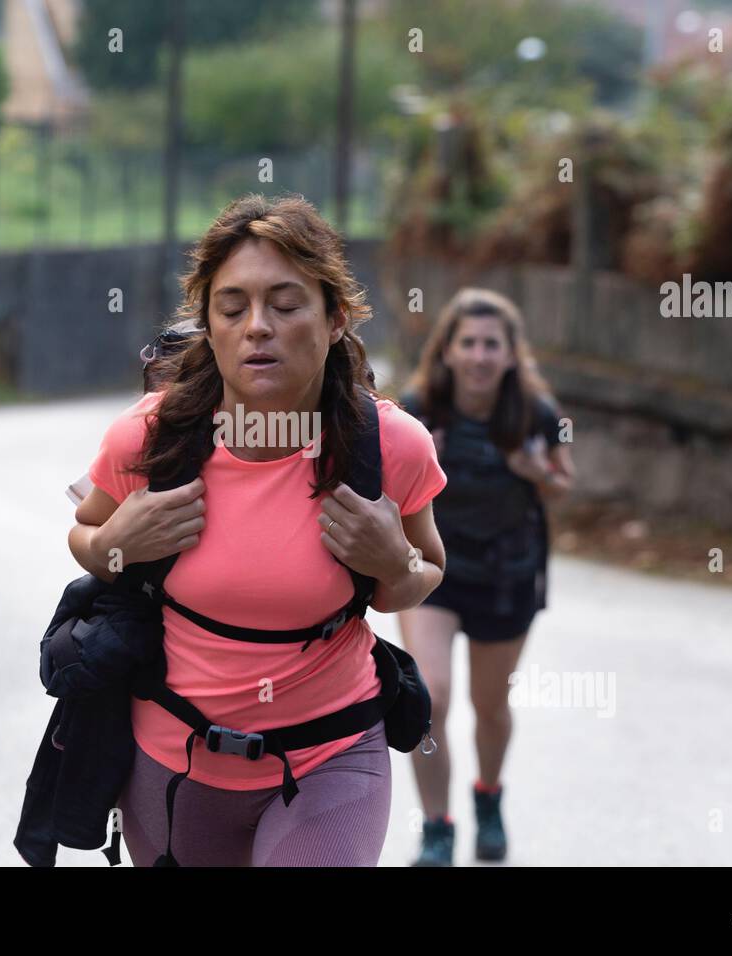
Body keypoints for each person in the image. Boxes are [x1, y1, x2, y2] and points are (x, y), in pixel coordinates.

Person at [66, 194, 449, 866]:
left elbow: (422, 574)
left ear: (335, 319)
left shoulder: (390, 447)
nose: (258, 327)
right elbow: (89, 543)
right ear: (209, 325)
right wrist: (117, 543)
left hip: (331, 757)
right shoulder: (151, 439)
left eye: (286, 303)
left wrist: (394, 565)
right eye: (233, 307)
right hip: (175, 760)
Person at [397, 287, 576, 866]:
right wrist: (420, 460)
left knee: (489, 705)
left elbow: (564, 482)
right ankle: (437, 827)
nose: (478, 355)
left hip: (507, 574)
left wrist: (536, 470)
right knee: (429, 697)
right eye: (467, 343)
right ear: (446, 350)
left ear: (509, 354)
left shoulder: (538, 412)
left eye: (490, 345)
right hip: (432, 570)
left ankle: (489, 799)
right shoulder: (419, 409)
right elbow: (381, 486)